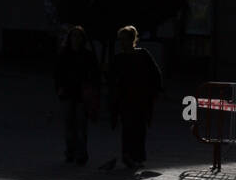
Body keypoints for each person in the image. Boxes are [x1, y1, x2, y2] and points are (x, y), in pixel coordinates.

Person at [110, 25, 163, 169]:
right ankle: (128, 155)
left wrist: (155, 91)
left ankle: (137, 156)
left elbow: (155, 73)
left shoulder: (142, 55)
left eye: (124, 39)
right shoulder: (119, 58)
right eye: (120, 40)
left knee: (139, 128)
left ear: (132, 40)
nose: (121, 43)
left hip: (140, 98)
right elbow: (112, 78)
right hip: (126, 99)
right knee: (128, 127)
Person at [54, 26, 101, 165]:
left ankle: (81, 154)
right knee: (69, 125)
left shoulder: (88, 55)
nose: (76, 39)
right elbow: (57, 74)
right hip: (68, 93)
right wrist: (59, 88)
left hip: (82, 94)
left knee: (81, 126)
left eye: (79, 36)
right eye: (74, 36)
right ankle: (70, 152)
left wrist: (92, 88)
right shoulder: (64, 54)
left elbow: (94, 74)